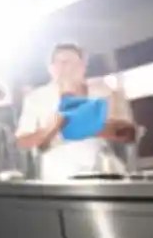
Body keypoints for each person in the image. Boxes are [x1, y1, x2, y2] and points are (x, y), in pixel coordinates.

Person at [16, 43, 137, 180]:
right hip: (58, 174)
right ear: (51, 69)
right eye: (60, 63)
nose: (66, 69)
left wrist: (92, 126)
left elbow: (130, 134)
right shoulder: (36, 98)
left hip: (102, 169)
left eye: (72, 63)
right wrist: (52, 128)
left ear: (83, 66)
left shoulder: (103, 90)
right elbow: (23, 142)